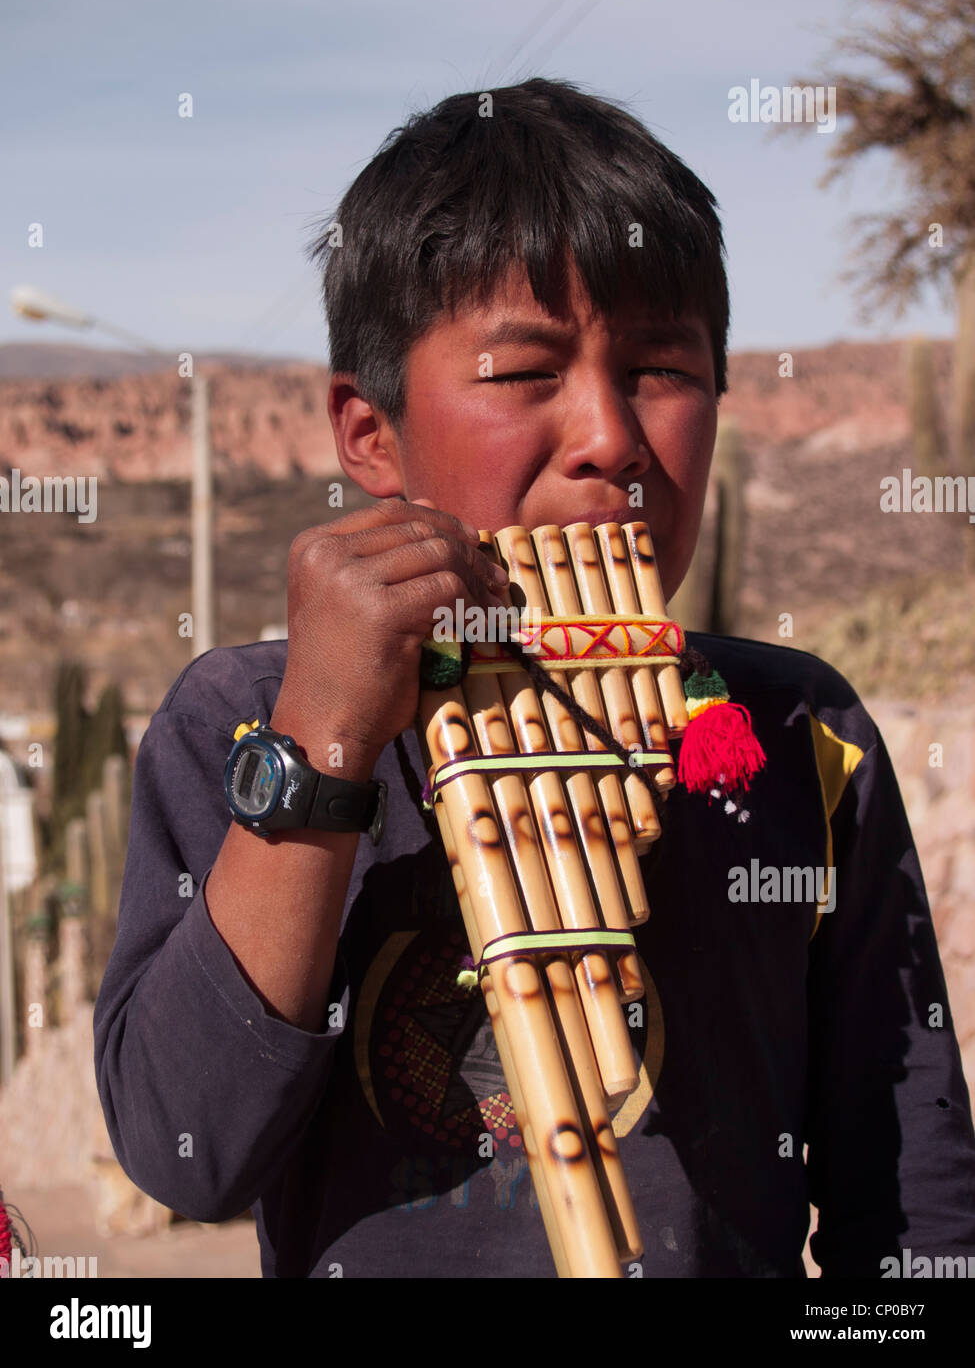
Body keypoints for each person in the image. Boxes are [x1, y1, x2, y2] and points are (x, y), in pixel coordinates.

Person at [93, 77, 975, 1278]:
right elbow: (185, 1151)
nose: (610, 436)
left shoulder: (794, 728)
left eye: (664, 367)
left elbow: (911, 1198)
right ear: (369, 436)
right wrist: (323, 739)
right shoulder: (242, 720)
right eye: (522, 372)